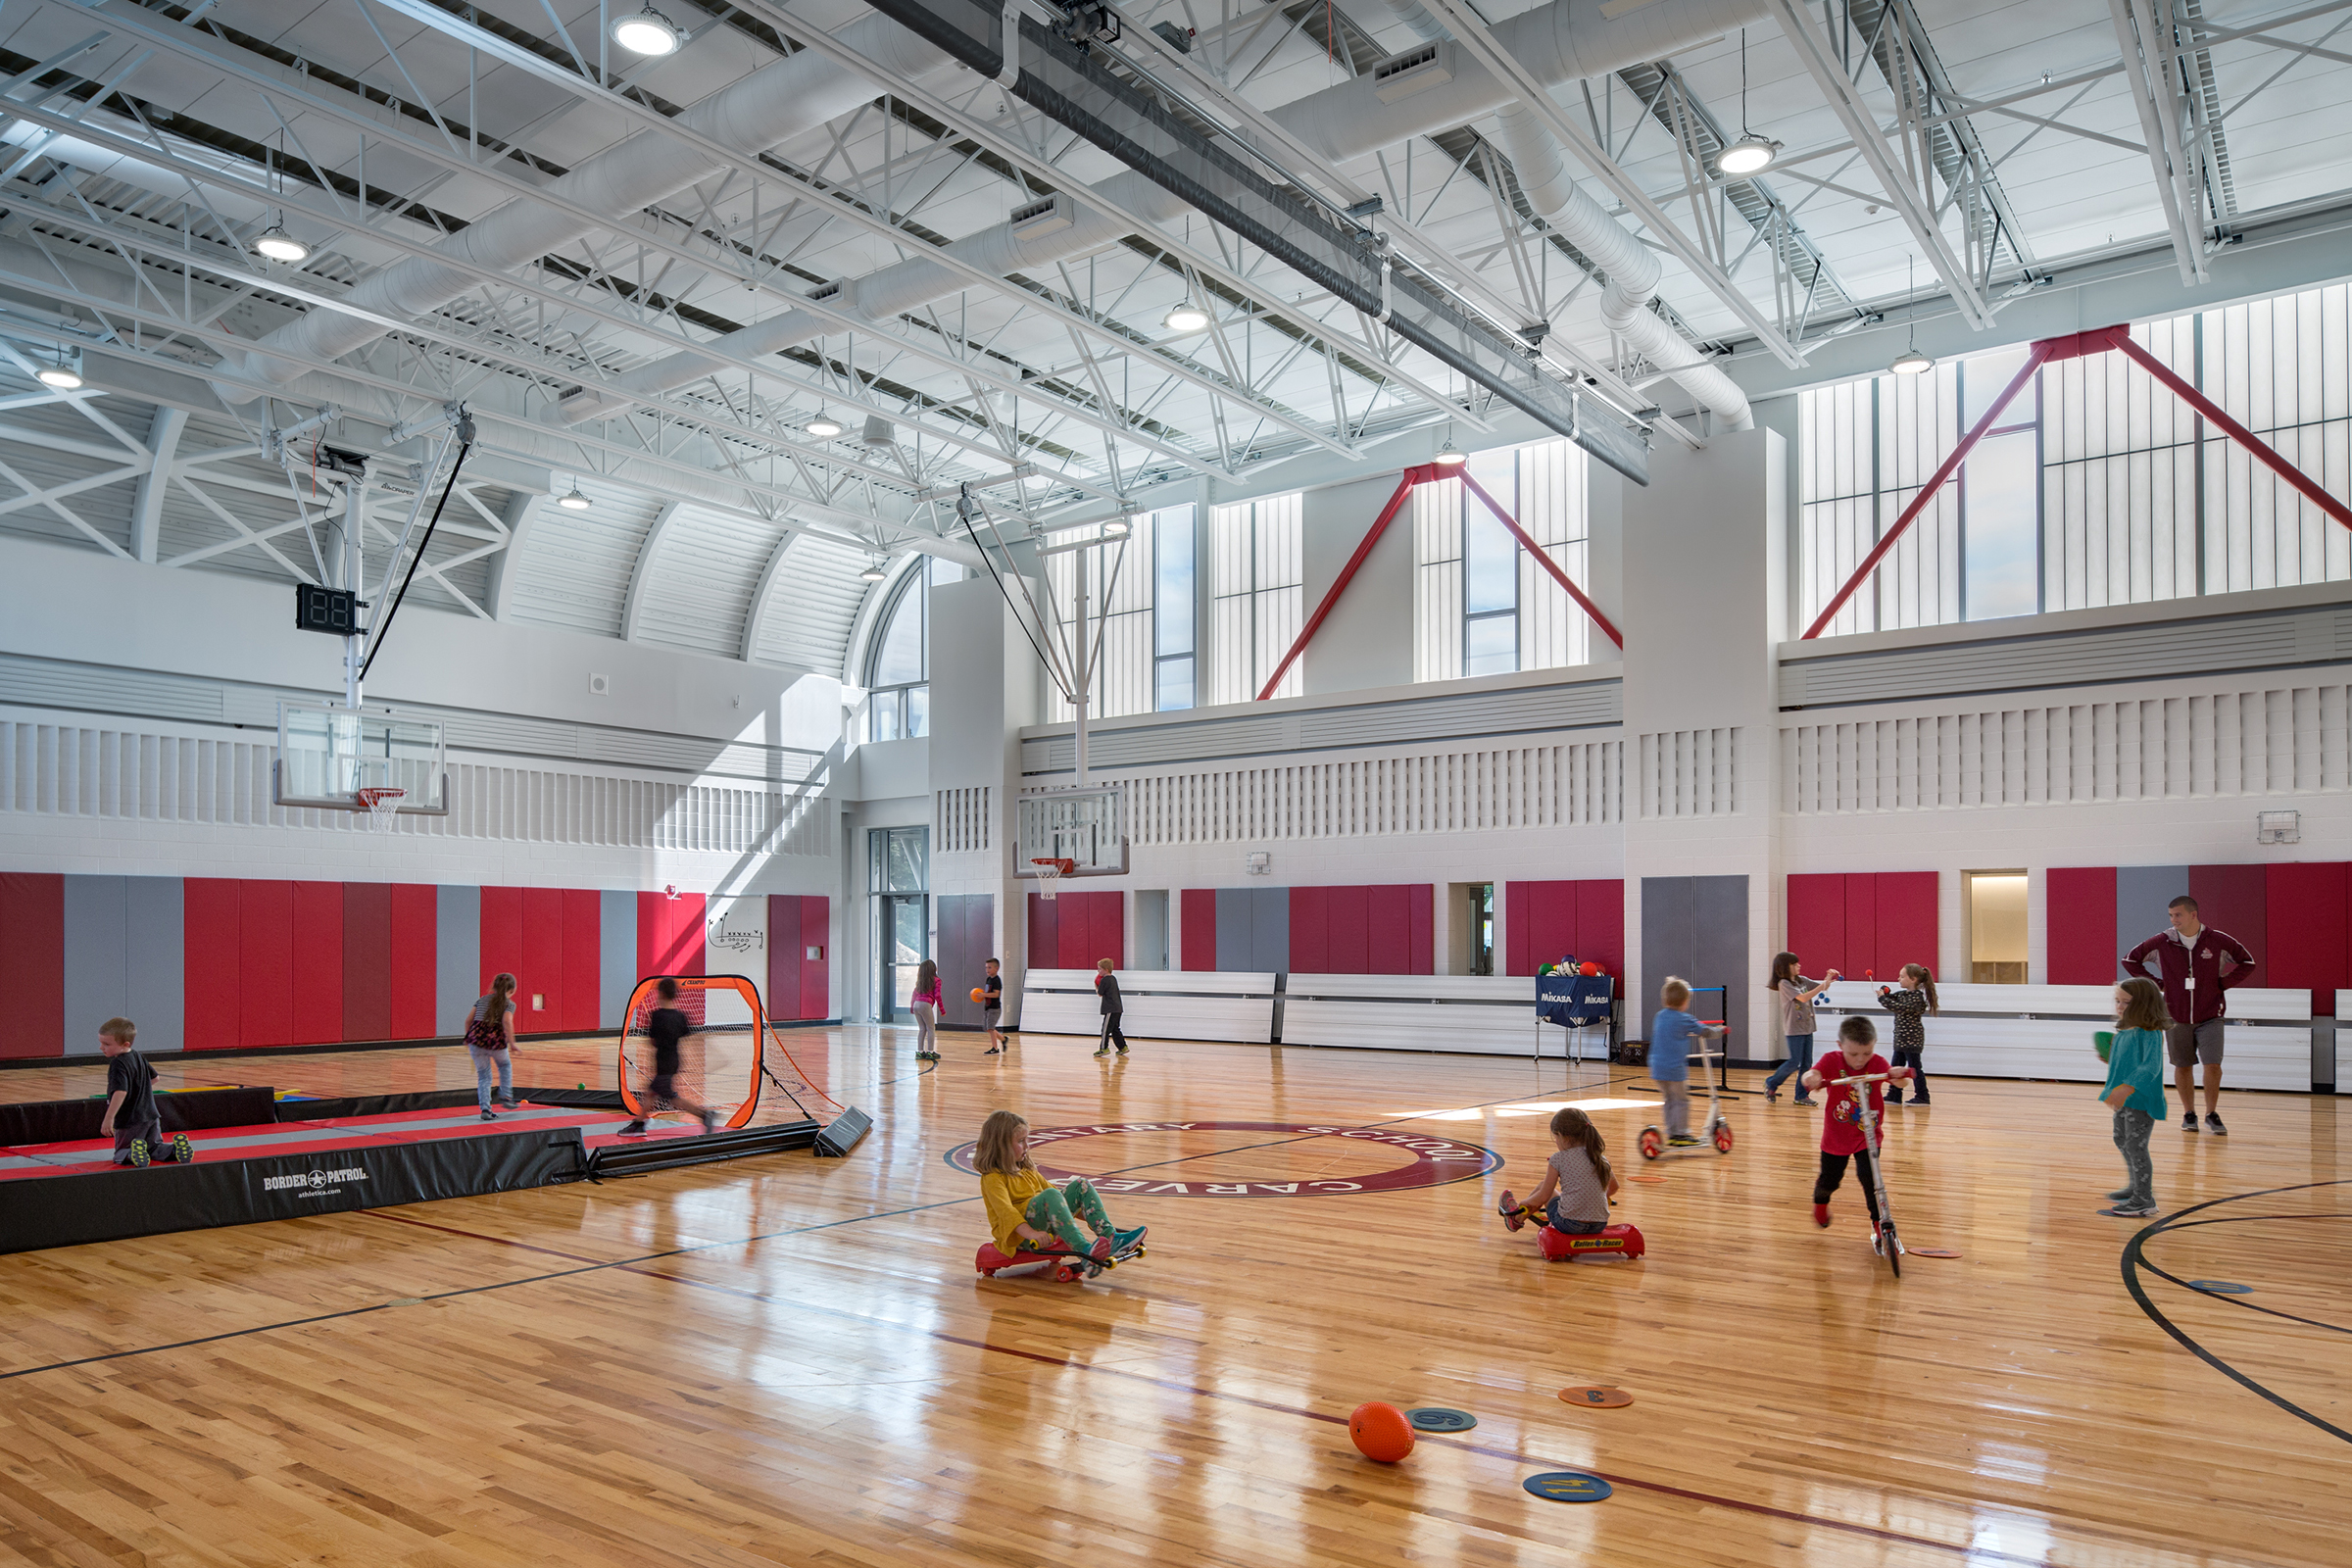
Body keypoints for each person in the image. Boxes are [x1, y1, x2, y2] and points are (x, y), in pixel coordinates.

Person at [2122, 894, 2255, 1136]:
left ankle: (2211, 1113)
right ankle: (2189, 1113)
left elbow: (2248, 962)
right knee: (2183, 1065)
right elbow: (2130, 960)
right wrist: (2157, 984)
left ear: (2193, 914)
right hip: (2175, 1015)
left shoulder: (2217, 940)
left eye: (2178, 915)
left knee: (2212, 1064)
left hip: (2211, 1014)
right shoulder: (2162, 941)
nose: (2174, 920)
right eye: (2171, 915)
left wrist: (2223, 984)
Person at [974, 1109, 1145, 1262]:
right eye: (1020, 1141)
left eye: (1027, 1139)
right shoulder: (993, 1178)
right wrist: (1032, 1234)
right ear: (1001, 1147)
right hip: (1021, 1237)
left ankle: (1111, 1237)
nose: (1027, 1146)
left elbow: (1058, 1197)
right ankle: (1084, 1250)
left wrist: (1090, 1215)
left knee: (1081, 1185)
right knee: (1050, 1195)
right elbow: (1006, 1213)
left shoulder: (1025, 1169)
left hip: (1043, 1226)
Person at [1803, 1016, 1912, 1244]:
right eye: (1853, 1054)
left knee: (1871, 1179)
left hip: (1869, 1135)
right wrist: (1812, 1078)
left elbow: (1901, 1083)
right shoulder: (1831, 1060)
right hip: (1836, 1137)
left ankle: (1879, 1222)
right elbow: (1812, 1074)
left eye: (1867, 1053)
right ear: (1840, 1045)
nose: (1861, 1060)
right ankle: (1820, 1204)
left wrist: (1898, 1075)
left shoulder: (1878, 1062)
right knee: (1830, 1180)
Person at [1496, 1106, 1621, 1247]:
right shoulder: (1599, 1158)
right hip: (1599, 1223)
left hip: (1569, 1223)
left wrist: (1525, 1202)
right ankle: (1517, 1218)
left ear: (1563, 1136)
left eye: (1556, 1137)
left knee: (1542, 1187)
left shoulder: (1558, 1159)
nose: (1556, 1141)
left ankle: (1516, 1218)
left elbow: (1544, 1195)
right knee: (1545, 1188)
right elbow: (1614, 1186)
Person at [2099, 978, 2172, 1218]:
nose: (2119, 1007)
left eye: (2127, 1002)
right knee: (2121, 1139)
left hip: (2140, 1099)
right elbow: (2128, 1063)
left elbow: (2149, 1067)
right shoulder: (2124, 1032)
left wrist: (2126, 1088)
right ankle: (2136, 1186)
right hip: (2126, 1099)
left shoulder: (2149, 1032)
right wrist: (2110, 1058)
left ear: (2144, 1003)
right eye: (2117, 1001)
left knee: (2135, 1146)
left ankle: (2144, 1199)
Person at [619, 978, 719, 1136]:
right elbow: (686, 1037)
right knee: (652, 1092)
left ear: (661, 993)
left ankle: (704, 1115)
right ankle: (639, 1123)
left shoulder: (657, 1016)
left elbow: (652, 1041)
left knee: (670, 1097)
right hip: (674, 1061)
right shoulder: (680, 1016)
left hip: (663, 1062)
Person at [96, 1018, 190, 1167]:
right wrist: (139, 1090)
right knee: (154, 1147)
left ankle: (132, 1153)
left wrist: (109, 1118)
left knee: (121, 1152)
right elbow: (155, 1078)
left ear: (125, 1044)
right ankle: (173, 1150)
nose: (102, 1047)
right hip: (150, 1114)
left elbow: (120, 1092)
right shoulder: (137, 1056)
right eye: (101, 1043)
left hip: (129, 1119)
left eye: (106, 1044)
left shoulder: (118, 1063)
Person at [1647, 978, 1720, 1146]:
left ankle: (1672, 1131)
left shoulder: (1660, 1016)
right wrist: (1720, 1031)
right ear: (1685, 1002)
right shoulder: (1684, 1018)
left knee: (1669, 1100)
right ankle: (1680, 1135)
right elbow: (1705, 1030)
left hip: (1657, 1068)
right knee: (1681, 1100)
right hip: (1674, 1070)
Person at [1762, 953, 1838, 1105]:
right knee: (1794, 1061)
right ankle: (1771, 1083)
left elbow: (1822, 987)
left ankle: (1801, 1095)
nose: (1799, 966)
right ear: (1785, 967)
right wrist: (1823, 986)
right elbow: (1803, 998)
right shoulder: (1785, 984)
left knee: (1806, 1063)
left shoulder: (1801, 981)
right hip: (1794, 1029)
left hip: (1807, 1027)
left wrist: (1828, 978)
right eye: (1794, 964)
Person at [464, 972, 521, 1121]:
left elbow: (468, 1020)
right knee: (504, 1066)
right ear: (512, 990)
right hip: (495, 1041)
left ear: (494, 986)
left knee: (484, 1076)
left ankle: (485, 1109)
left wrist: (468, 1038)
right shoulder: (509, 1004)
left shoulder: (482, 999)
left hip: (476, 1041)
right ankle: (506, 1096)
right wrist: (512, 1043)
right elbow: (507, 1022)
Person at [1879, 964, 1938, 1105]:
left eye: (1902, 976)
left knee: (1915, 1068)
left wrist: (1882, 999)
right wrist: (1885, 992)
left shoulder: (1916, 998)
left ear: (1913, 979)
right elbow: (1892, 998)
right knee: (1895, 1068)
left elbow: (1898, 1007)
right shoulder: (1903, 994)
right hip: (1901, 1039)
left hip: (1911, 1040)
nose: (1898, 979)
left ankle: (1922, 1096)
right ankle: (1894, 1094)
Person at [1092, 957, 1127, 1059]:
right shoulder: (1113, 978)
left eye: (1100, 969)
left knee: (1105, 1030)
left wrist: (1095, 985)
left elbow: (1100, 993)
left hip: (1110, 1009)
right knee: (1115, 1029)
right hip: (1118, 1008)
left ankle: (1104, 1048)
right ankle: (1122, 1047)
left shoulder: (1104, 980)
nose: (1098, 971)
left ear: (1106, 969)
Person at [910, 957, 942, 1062]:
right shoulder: (936, 980)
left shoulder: (920, 981)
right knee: (931, 1028)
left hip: (916, 1005)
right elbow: (937, 995)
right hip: (925, 1004)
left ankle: (920, 1051)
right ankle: (930, 1051)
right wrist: (942, 1009)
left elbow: (914, 994)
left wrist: (912, 1007)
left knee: (922, 1028)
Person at [981, 957, 1006, 1055]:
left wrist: (984, 995)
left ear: (997, 968)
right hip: (987, 1007)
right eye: (986, 967)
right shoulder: (988, 979)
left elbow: (996, 994)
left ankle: (994, 1048)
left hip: (994, 1008)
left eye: (990, 967)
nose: (987, 970)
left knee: (991, 1028)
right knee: (988, 1028)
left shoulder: (997, 980)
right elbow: (987, 993)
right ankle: (1003, 1039)